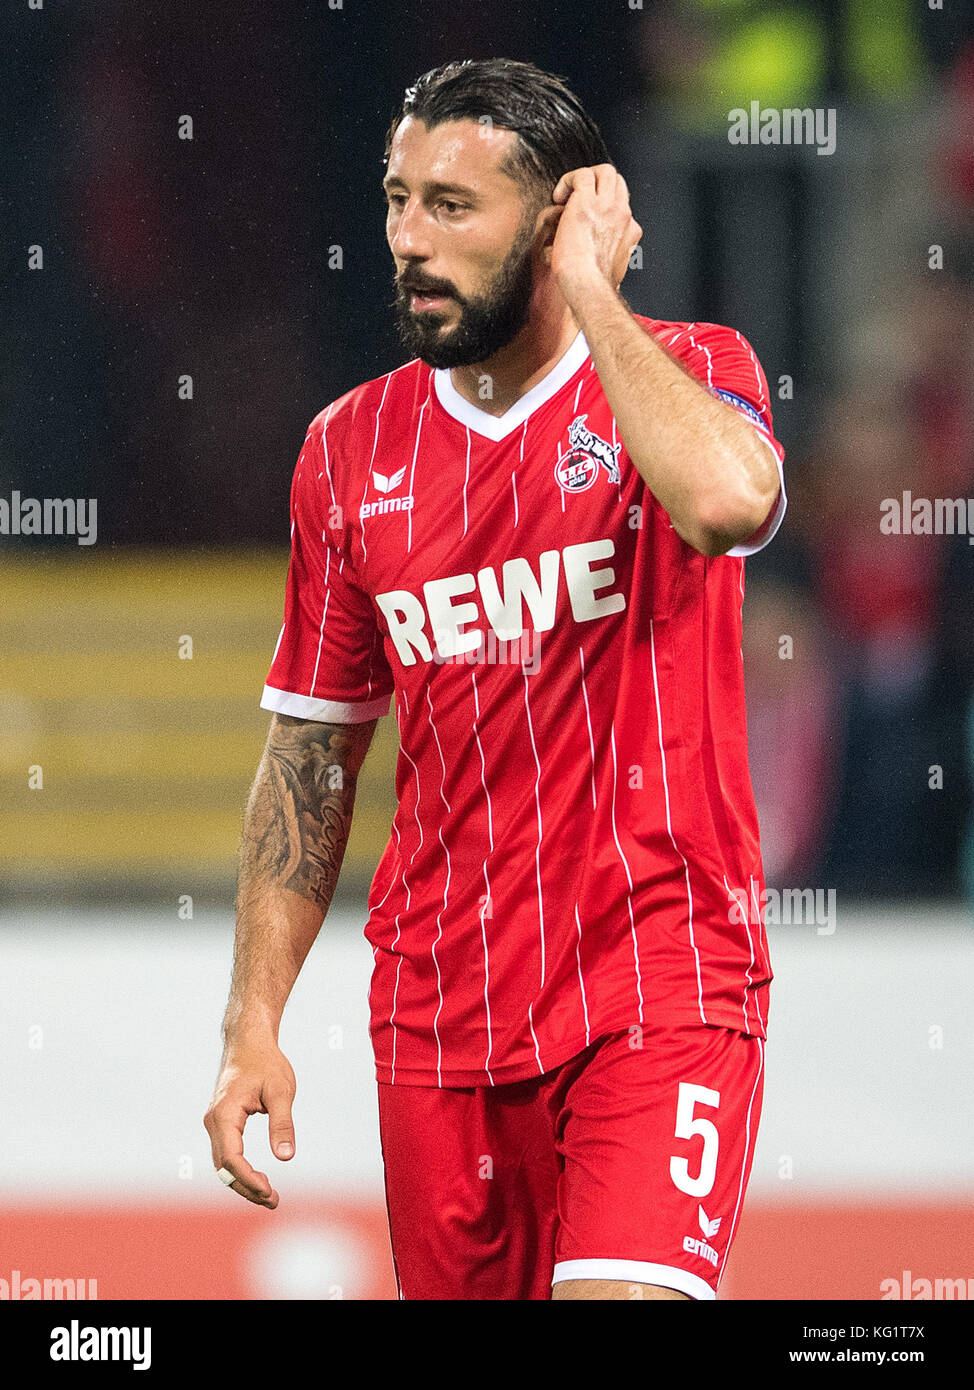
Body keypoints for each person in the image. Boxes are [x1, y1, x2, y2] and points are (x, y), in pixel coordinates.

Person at [204, 57, 785, 1302]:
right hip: (439, 1018)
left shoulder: (693, 367)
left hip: (657, 982)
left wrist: (590, 293)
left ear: (562, 215)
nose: (408, 239)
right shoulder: (347, 451)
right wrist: (252, 1019)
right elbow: (310, 756)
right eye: (396, 199)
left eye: (451, 206)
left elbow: (728, 503)